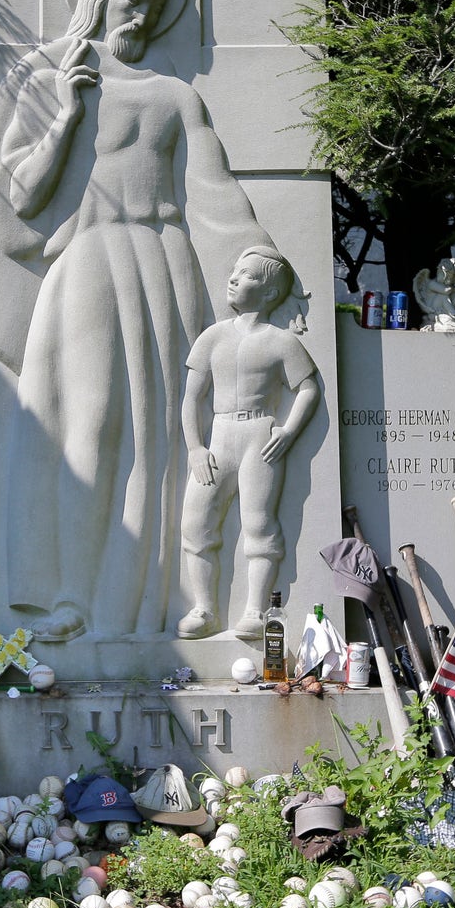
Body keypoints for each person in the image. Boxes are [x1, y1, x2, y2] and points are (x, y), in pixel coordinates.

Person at [0, 0, 273, 641]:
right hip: (89, 264)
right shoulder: (48, 79)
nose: (143, 17)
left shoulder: (177, 97)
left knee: (159, 436)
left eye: (154, 6)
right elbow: (21, 198)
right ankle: (70, 595)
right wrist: (66, 115)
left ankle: (142, 601)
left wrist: (260, 258)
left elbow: (215, 194)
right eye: (133, 0)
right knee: (88, 423)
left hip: (165, 265)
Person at [178, 247, 320, 641]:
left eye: (248, 275)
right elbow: (192, 398)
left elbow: (307, 389)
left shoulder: (281, 341)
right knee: (196, 523)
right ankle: (204, 609)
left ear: (270, 292)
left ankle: (256, 611)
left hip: (260, 437)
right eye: (235, 271)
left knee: (258, 523)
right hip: (220, 437)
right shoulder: (213, 337)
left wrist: (288, 432)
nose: (234, 279)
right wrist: (195, 447)